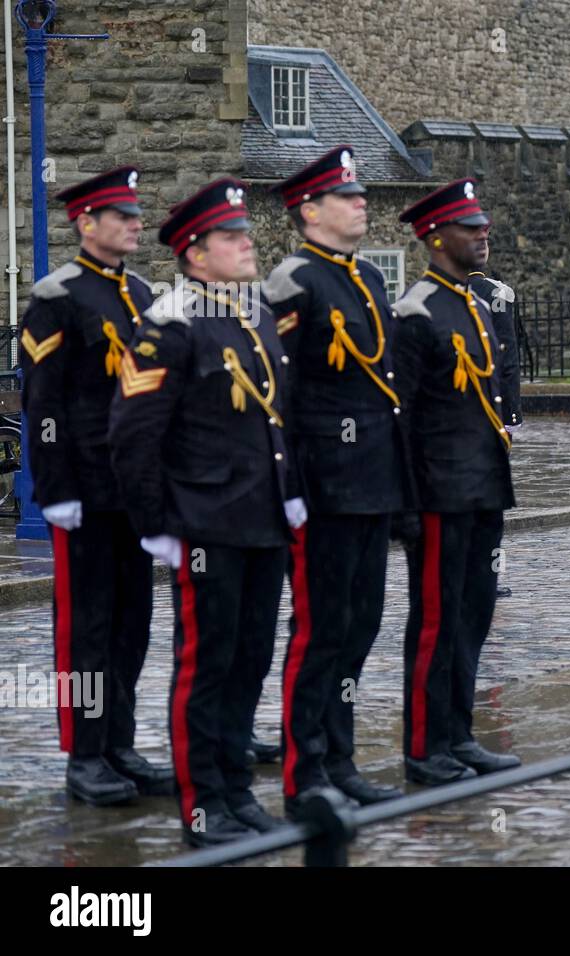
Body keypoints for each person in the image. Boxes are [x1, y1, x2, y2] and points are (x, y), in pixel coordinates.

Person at [108, 178, 302, 846]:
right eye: (231, 237)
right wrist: (158, 525)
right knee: (206, 665)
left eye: (245, 234)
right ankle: (202, 807)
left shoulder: (252, 313)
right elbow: (133, 436)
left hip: (261, 518)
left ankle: (237, 791)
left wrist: (291, 494)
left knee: (250, 659)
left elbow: (277, 417)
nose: (247, 245)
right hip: (204, 521)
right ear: (195, 252)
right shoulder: (171, 321)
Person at [19, 166, 172, 806]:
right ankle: (84, 755)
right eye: (122, 215)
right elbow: (42, 401)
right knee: (86, 627)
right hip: (82, 490)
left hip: (132, 490)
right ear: (87, 224)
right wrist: (53, 487)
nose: (136, 223)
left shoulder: (140, 291)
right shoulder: (59, 295)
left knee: (132, 624)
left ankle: (120, 742)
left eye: (136, 214)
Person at [261, 146, 405, 815]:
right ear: (309, 211)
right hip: (322, 483)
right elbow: (278, 391)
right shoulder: (294, 280)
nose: (361, 203)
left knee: (360, 626)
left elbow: (387, 386)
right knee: (319, 631)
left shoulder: (368, 277)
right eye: (347, 196)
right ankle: (304, 768)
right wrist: (289, 483)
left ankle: (340, 754)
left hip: (371, 480)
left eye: (360, 194)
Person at [392, 178, 522, 785]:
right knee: (436, 621)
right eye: (470, 227)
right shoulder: (416, 311)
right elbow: (403, 416)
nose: (482, 234)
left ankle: (460, 734)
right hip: (440, 492)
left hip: (481, 488)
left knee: (472, 616)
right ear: (437, 236)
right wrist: (408, 506)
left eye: (482, 224)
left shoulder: (473, 303)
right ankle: (424, 747)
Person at [469, 243, 522, 599]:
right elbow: (508, 360)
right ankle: (487, 576)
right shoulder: (495, 293)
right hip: (489, 413)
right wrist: (511, 416)